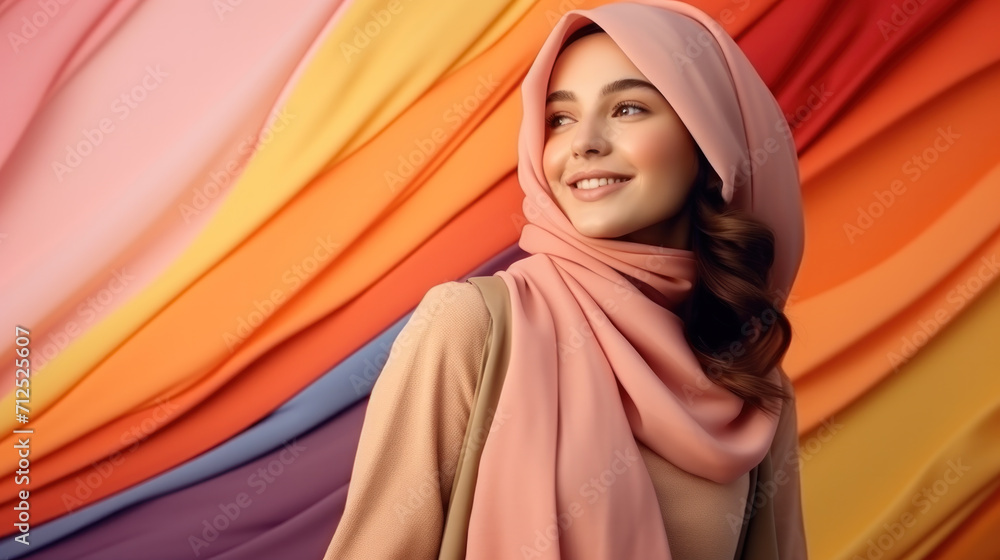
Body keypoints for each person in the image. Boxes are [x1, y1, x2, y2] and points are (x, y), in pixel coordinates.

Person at [323, 1, 807, 558]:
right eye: (559, 119)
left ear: (708, 141)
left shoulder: (750, 376)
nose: (583, 143)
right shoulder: (470, 326)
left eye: (627, 108)